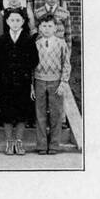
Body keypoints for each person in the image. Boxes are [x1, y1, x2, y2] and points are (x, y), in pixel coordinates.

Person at [0, 8, 38, 155]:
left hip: (23, 81)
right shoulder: (1, 40)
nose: (15, 23)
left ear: (23, 22)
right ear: (7, 22)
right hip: (6, 82)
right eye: (12, 20)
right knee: (7, 112)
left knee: (22, 112)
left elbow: (34, 60)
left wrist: (25, 73)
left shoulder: (28, 39)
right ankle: (9, 142)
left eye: (18, 20)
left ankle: (19, 142)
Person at [34, 12, 71, 154]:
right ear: (40, 28)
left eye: (50, 26)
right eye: (44, 26)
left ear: (55, 28)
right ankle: (42, 145)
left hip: (55, 81)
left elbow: (66, 64)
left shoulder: (61, 43)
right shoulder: (36, 43)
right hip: (39, 81)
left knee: (55, 113)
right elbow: (32, 65)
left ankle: (54, 144)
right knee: (40, 113)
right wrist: (32, 85)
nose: (47, 29)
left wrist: (63, 82)